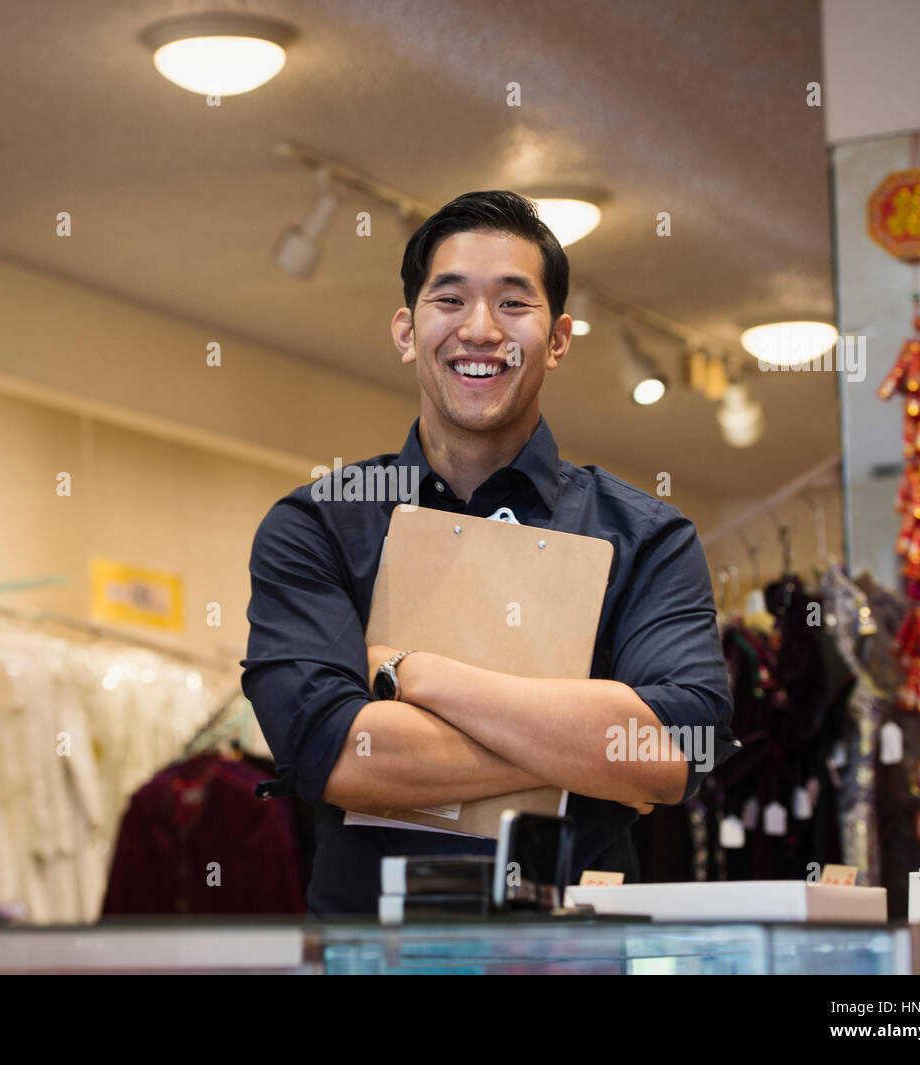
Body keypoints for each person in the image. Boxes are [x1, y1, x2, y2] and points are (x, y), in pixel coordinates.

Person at [241, 190, 738, 914]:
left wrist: (415, 675)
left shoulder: (647, 537)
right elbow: (338, 753)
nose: (479, 329)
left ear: (559, 339)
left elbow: (674, 749)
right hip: (376, 957)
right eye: (450, 300)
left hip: (575, 957)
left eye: (513, 303)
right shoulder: (316, 526)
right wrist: (582, 757)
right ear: (408, 331)